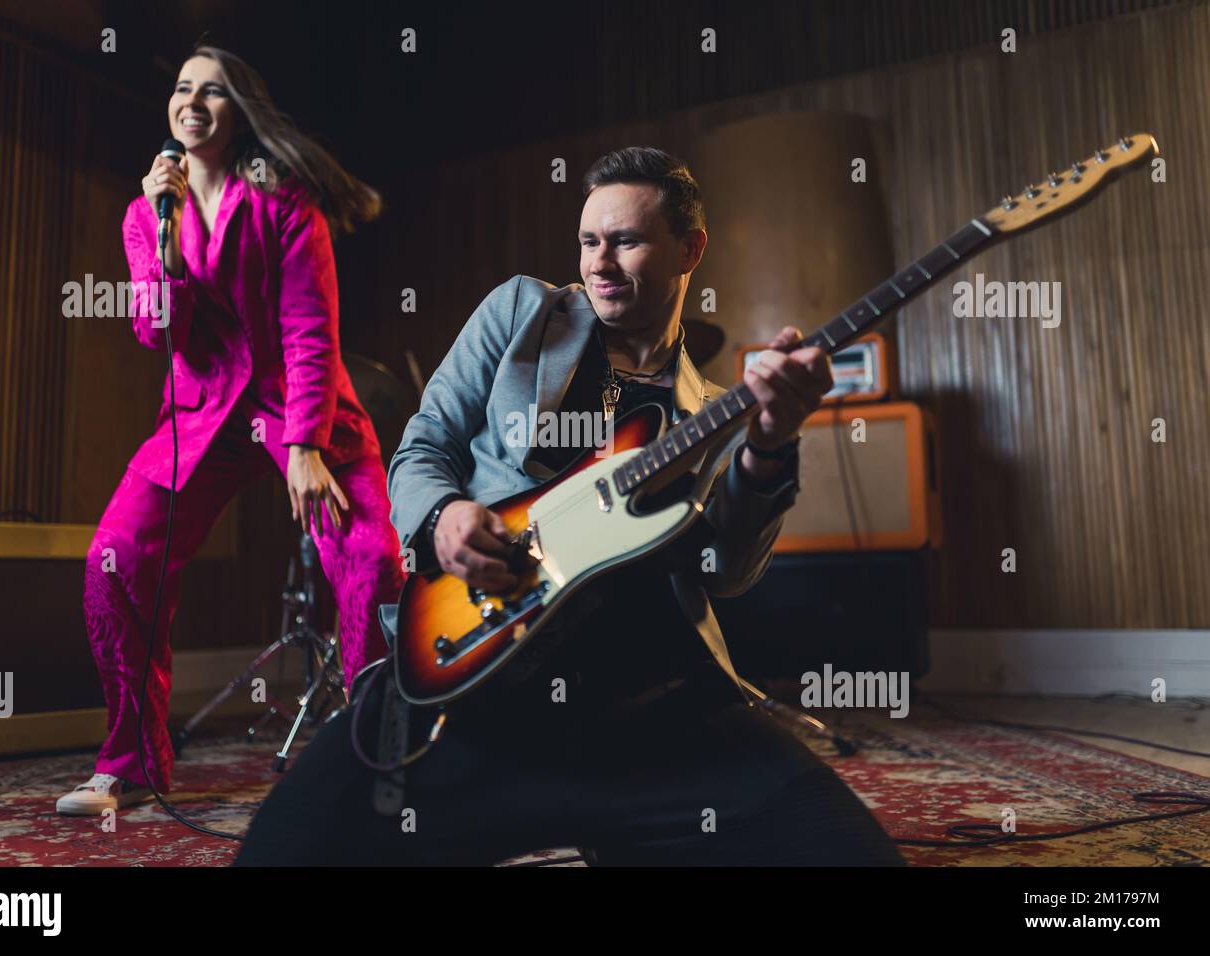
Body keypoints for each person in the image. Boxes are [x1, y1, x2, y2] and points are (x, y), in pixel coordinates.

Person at [234, 147, 905, 865]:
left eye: (627, 241)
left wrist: (769, 445)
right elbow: (423, 447)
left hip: (658, 716)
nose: (601, 263)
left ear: (690, 249)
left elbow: (727, 570)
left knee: (849, 853)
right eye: (590, 241)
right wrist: (444, 518)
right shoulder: (522, 313)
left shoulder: (716, 415)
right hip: (467, 687)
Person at [57, 45, 406, 815]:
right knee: (114, 561)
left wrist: (306, 445)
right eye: (182, 87)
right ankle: (130, 764)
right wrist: (164, 235)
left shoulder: (282, 200)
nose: (193, 101)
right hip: (201, 415)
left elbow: (312, 328)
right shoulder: (144, 213)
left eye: (213, 92)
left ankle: (375, 756)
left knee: (374, 560)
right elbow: (157, 332)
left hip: (301, 411)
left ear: (239, 112)